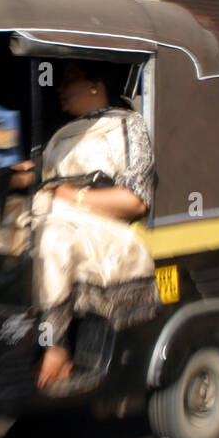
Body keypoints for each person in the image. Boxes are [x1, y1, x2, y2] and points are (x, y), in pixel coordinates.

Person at [29, 62, 161, 388]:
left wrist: (69, 198)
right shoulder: (62, 133)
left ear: (95, 84)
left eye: (69, 79)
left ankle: (56, 345)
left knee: (52, 238)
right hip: (53, 210)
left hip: (101, 226)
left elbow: (135, 201)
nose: (60, 89)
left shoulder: (128, 127)